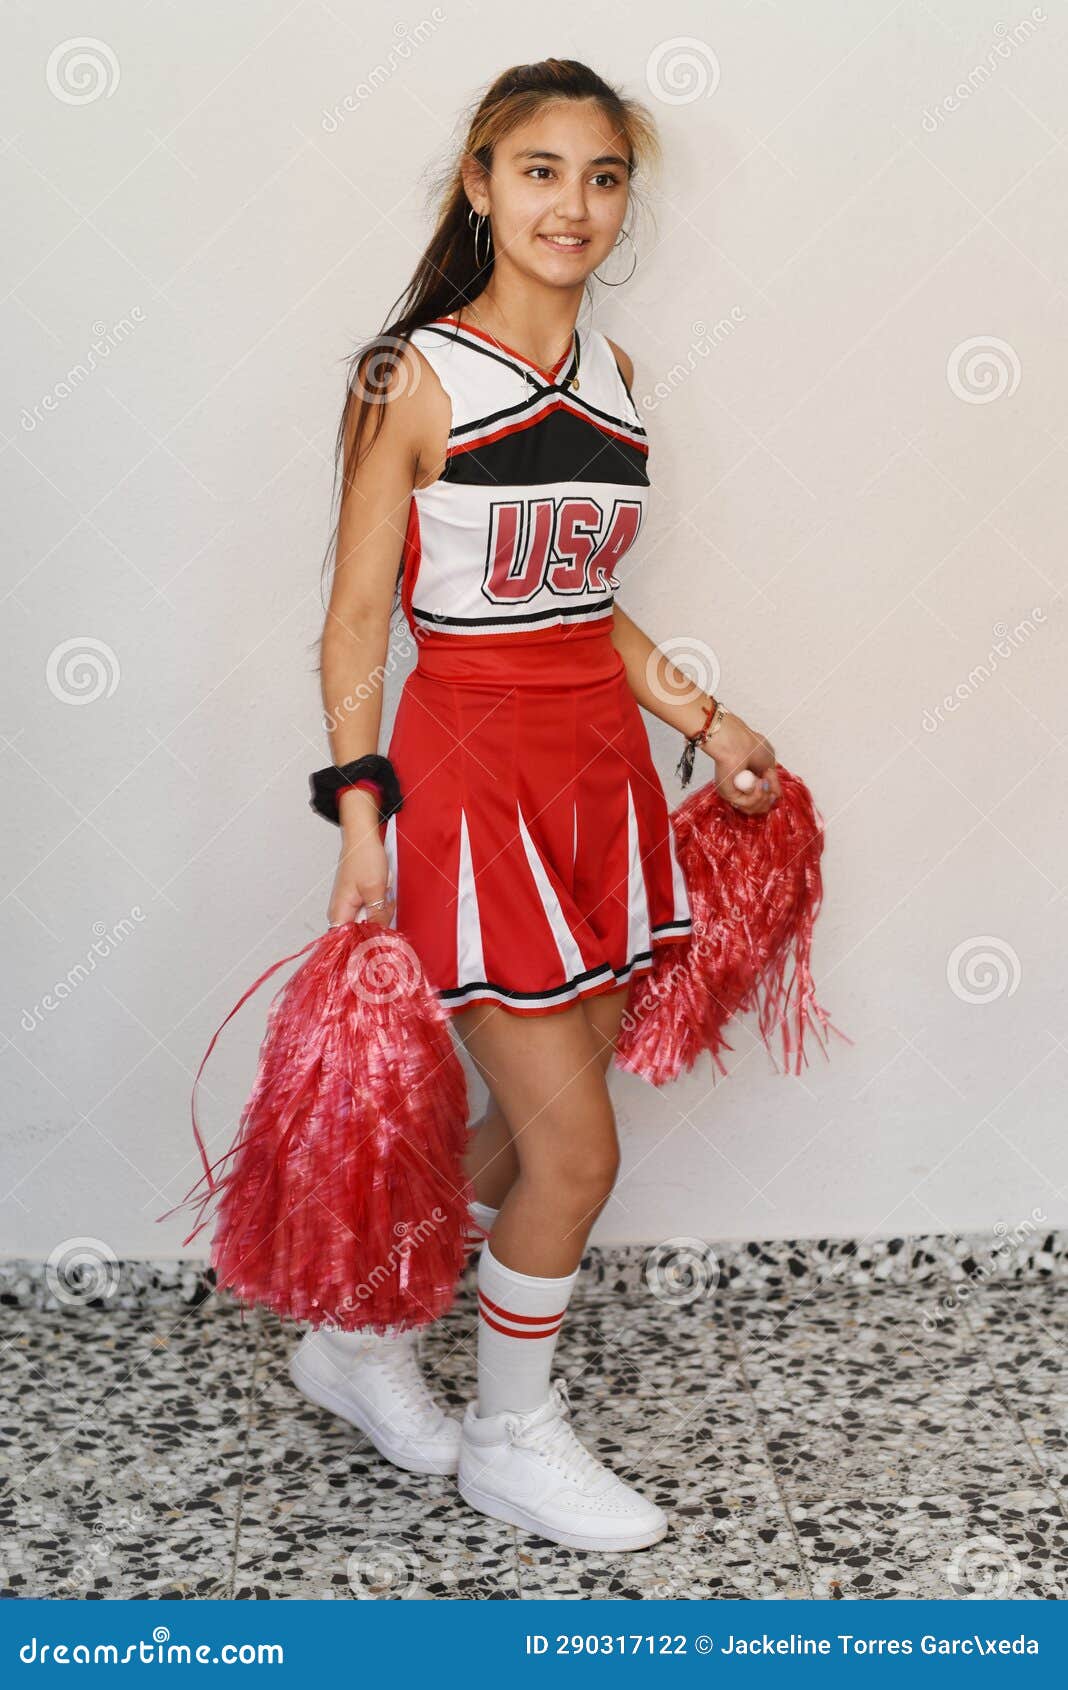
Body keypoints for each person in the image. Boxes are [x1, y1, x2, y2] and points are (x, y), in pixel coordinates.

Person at [291, 58, 779, 1554]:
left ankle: (358, 1334)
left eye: (604, 175)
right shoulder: (418, 375)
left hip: (595, 778)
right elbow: (356, 619)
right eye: (544, 170)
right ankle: (513, 1436)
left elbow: (585, 600)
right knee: (578, 1152)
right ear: (482, 185)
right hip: (469, 776)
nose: (574, 203)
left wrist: (705, 714)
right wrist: (365, 815)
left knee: (541, 1106)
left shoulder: (616, 378)